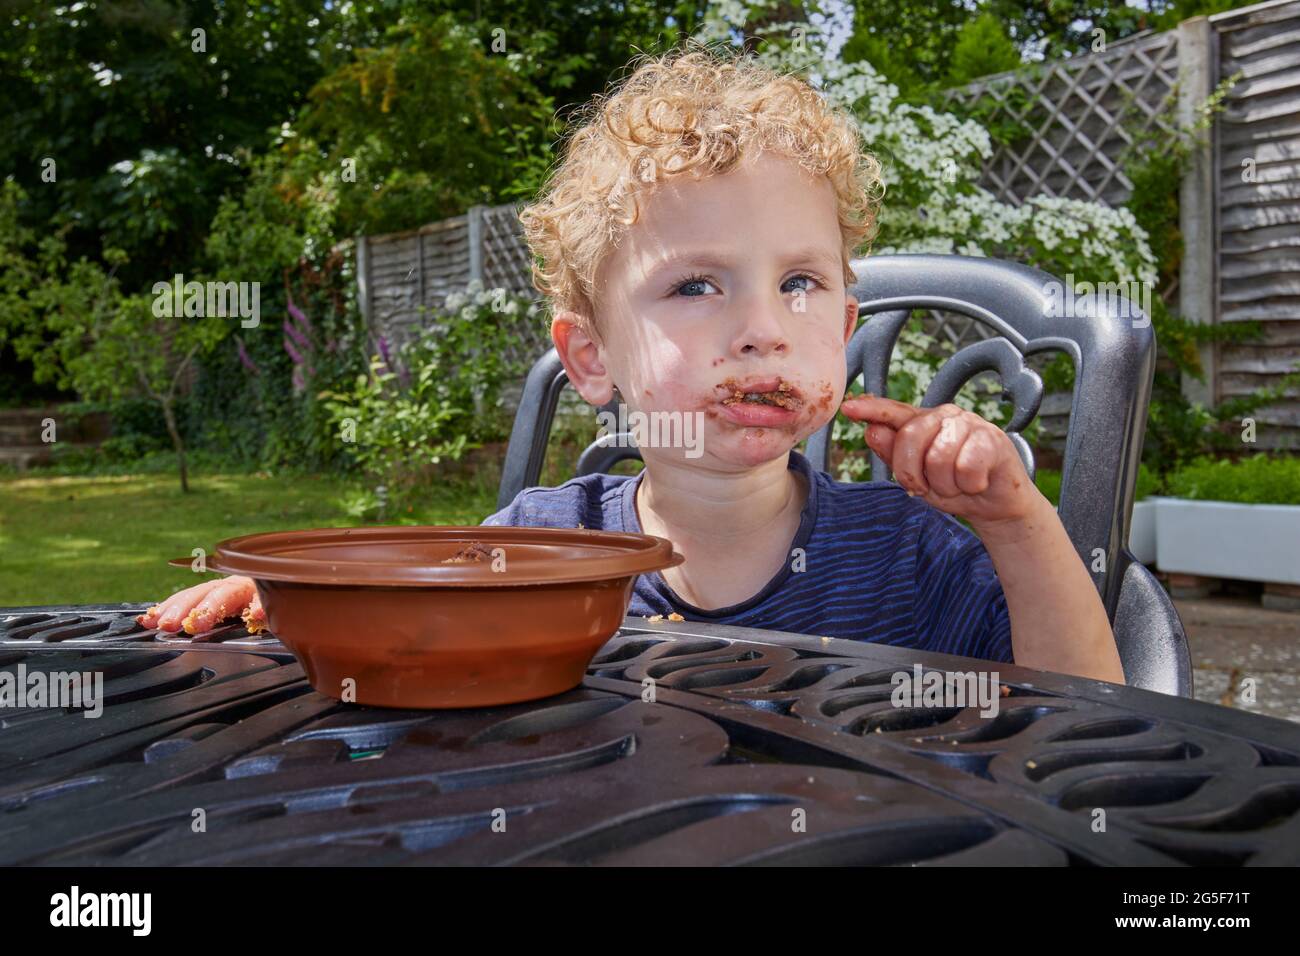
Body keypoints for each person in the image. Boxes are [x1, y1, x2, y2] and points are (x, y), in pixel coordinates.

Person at [139, 43, 1124, 684]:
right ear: (592, 356)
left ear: (845, 320)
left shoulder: (908, 554)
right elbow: (419, 643)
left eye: (800, 283)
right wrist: (305, 609)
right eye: (697, 286)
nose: (761, 327)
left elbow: (1092, 712)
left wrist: (1015, 520)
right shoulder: (536, 545)